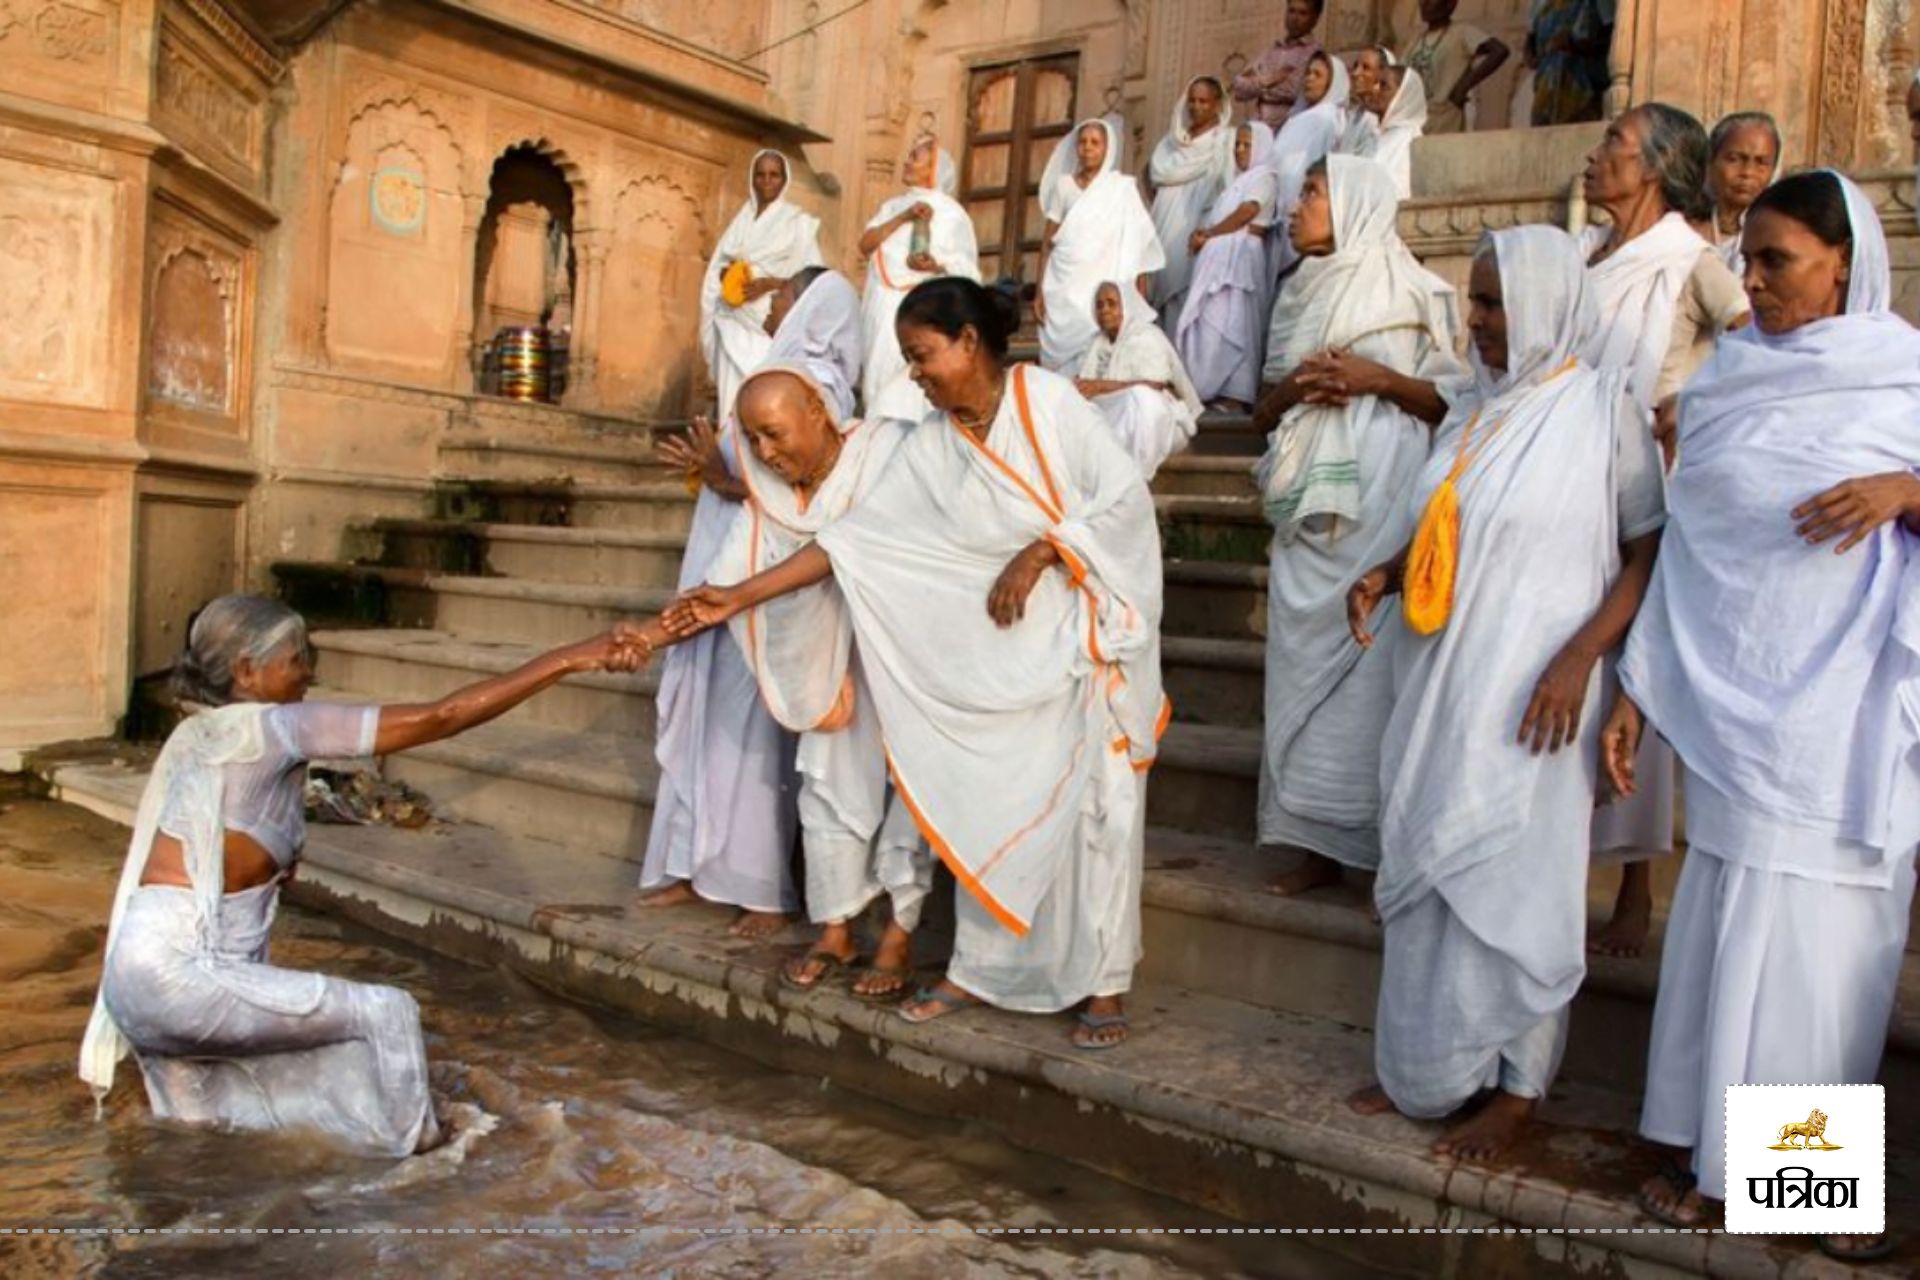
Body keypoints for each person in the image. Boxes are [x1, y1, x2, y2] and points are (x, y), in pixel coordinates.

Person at [660, 278, 1167, 1050]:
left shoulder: (1048, 401)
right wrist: (737, 595)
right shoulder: (931, 444)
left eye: (922, 355)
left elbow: (1123, 500)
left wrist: (1042, 552)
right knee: (987, 806)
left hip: (1082, 649)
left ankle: (1103, 985)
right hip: (998, 661)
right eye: (904, 358)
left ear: (969, 343)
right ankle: (978, 969)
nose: (915, 373)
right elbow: (849, 542)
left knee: (1096, 823)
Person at [1608, 173, 1918, 1267]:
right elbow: (1693, 544)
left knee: (1819, 963)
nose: (1752, 281)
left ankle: (1804, 1182)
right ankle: (1710, 1161)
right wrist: (1642, 690)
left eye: (1775, 260)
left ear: (1844, 261)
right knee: (1725, 940)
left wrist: (1903, 492)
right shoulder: (1731, 375)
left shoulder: (1903, 375)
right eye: (1746, 258)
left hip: (1847, 725)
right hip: (1740, 703)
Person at [81, 595, 655, 1156]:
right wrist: (574, 657)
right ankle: (427, 1161)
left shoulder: (197, 738)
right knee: (387, 1013)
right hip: (181, 978)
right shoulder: (275, 727)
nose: (309, 673)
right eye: (296, 659)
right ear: (247, 672)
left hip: (136, 982)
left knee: (204, 1149)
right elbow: (442, 716)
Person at [1346, 224, 1665, 1161]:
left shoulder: (1604, 410)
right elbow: (1455, 528)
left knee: (1517, 883)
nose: (1477, 320)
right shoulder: (1472, 410)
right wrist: (1392, 570)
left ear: (1547, 302)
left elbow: (1648, 548)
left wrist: (1580, 659)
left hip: (1541, 693)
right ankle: (1430, 1065)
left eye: (1493, 303)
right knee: (1436, 866)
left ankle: (1518, 1087)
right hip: (1444, 683)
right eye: (1475, 302)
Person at [1250, 156, 1461, 895]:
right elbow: (1262, 414)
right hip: (1309, 513)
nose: (1297, 207)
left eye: (1312, 193)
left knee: (1373, 675)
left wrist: (1377, 381)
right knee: (1301, 674)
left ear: (1356, 204)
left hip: (1384, 500)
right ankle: (1311, 842)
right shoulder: (1294, 294)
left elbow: (1455, 406)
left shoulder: (1414, 290)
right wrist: (1296, 388)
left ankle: (1377, 850)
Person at [640, 268, 863, 935]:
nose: (772, 312)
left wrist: (719, 475)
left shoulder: (815, 393)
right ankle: (692, 863)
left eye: (785, 301)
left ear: (812, 309)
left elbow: (806, 511)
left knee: (751, 738)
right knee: (709, 719)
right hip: (722, 573)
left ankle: (760, 889)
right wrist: (709, 474)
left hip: (769, 592)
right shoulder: (779, 375)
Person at [703, 365, 934, 1001]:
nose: (766, 454)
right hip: (827, 659)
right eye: (753, 442)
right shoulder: (774, 492)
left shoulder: (892, 448)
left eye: (774, 434)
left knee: (911, 787)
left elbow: (856, 545)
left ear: (819, 411)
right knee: (825, 784)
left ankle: (899, 932)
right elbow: (730, 570)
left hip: (908, 647)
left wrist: (734, 596)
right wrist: (661, 626)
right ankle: (835, 928)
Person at [1578, 102, 1748, 958]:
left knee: (1629, 674)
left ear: (1653, 165)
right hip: (1567, 480)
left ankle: (1636, 884)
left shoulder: (1692, 260)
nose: (1598, 151)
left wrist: (1697, 402)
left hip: (1648, 487)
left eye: (1614, 141)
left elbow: (1761, 345)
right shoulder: (1584, 256)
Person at [858, 138, 981, 423]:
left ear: (933, 168)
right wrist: (905, 216)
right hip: (881, 306)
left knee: (910, 386)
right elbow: (865, 245)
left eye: (915, 157)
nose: (907, 161)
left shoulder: (952, 214)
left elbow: (967, 273)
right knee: (876, 381)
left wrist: (936, 265)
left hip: (921, 311)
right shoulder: (893, 206)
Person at [698, 149, 825, 418]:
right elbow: (716, 270)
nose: (767, 181)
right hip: (731, 320)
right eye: (761, 175)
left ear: (784, 180)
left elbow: (814, 281)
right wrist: (726, 276)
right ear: (752, 179)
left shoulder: (797, 224)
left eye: (774, 175)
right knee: (730, 407)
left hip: (766, 328)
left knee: (762, 403)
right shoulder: (740, 222)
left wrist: (770, 283)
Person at [1035, 119, 1166, 374]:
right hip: (1064, 283)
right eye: (1083, 142)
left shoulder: (1120, 189)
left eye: (1095, 143)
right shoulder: (1063, 187)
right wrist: (1039, 292)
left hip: (1103, 279)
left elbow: (1135, 243)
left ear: (1107, 149)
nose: (1088, 148)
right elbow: (1047, 243)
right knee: (1060, 352)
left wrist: (1138, 290)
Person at [1176, 120, 1279, 412]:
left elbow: (1249, 211)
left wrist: (1209, 235)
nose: (1241, 150)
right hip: (1220, 261)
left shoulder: (1264, 177)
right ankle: (1209, 389)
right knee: (1212, 324)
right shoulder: (1234, 182)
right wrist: (1204, 236)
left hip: (1242, 260)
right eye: (1237, 144)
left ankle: (1235, 395)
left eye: (1248, 144)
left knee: (1236, 324)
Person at [1078, 280, 1203, 478]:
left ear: (1127, 306)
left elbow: (1155, 384)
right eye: (1099, 305)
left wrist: (1101, 386)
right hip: (1112, 419)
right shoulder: (1095, 343)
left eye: (1112, 303)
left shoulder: (1147, 336)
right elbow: (1085, 384)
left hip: (1157, 420)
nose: (1105, 310)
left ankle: (1132, 479)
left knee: (1140, 397)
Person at [1146, 76, 1235, 336]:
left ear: (1217, 105)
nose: (1196, 107)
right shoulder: (1168, 145)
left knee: (1186, 304)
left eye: (1203, 101)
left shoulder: (1226, 141)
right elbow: (1150, 178)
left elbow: (1229, 190)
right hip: (1162, 232)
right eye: (1192, 101)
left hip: (1195, 232)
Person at [1267, 50, 1351, 283]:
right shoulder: (1294, 121)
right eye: (1308, 73)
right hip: (1279, 217)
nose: (1309, 79)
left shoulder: (1332, 119)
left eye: (1318, 74)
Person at [1399, 0, 1510, 136]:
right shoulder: (1416, 40)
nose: (1424, 3)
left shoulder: (1462, 32)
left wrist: (1464, 86)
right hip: (1414, 122)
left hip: (1444, 121)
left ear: (1451, 4)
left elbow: (1499, 51)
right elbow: (1399, 74)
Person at [1703, 112, 1781, 276]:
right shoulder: (1685, 225)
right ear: (1711, 162)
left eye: (1761, 163)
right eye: (1734, 159)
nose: (1747, 172)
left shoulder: (1777, 233)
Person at [1231, 0, 1327, 130]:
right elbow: (1238, 89)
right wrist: (1268, 80)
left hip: (1286, 127)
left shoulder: (1315, 54)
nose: (1295, 18)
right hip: (1257, 127)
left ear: (1315, 18)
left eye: (1302, 13)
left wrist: (1256, 83)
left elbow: (1295, 90)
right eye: (1291, 11)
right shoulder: (1272, 50)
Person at [1528, 0, 1613, 127]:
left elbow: (1612, 35)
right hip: (1546, 85)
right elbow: (1530, 43)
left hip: (1584, 82)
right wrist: (1540, 58)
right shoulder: (1539, 3)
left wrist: (1574, 44)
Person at [1356, 64, 1428, 198]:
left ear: (1402, 96)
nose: (1375, 89)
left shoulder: (1408, 137)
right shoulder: (1377, 134)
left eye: (1384, 86)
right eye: (1376, 83)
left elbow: (1398, 188)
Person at [1338, 47, 1392, 154]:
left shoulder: (1376, 120)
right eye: (1355, 66)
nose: (1355, 73)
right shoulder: (1355, 113)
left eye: (1366, 68)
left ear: (1381, 76)